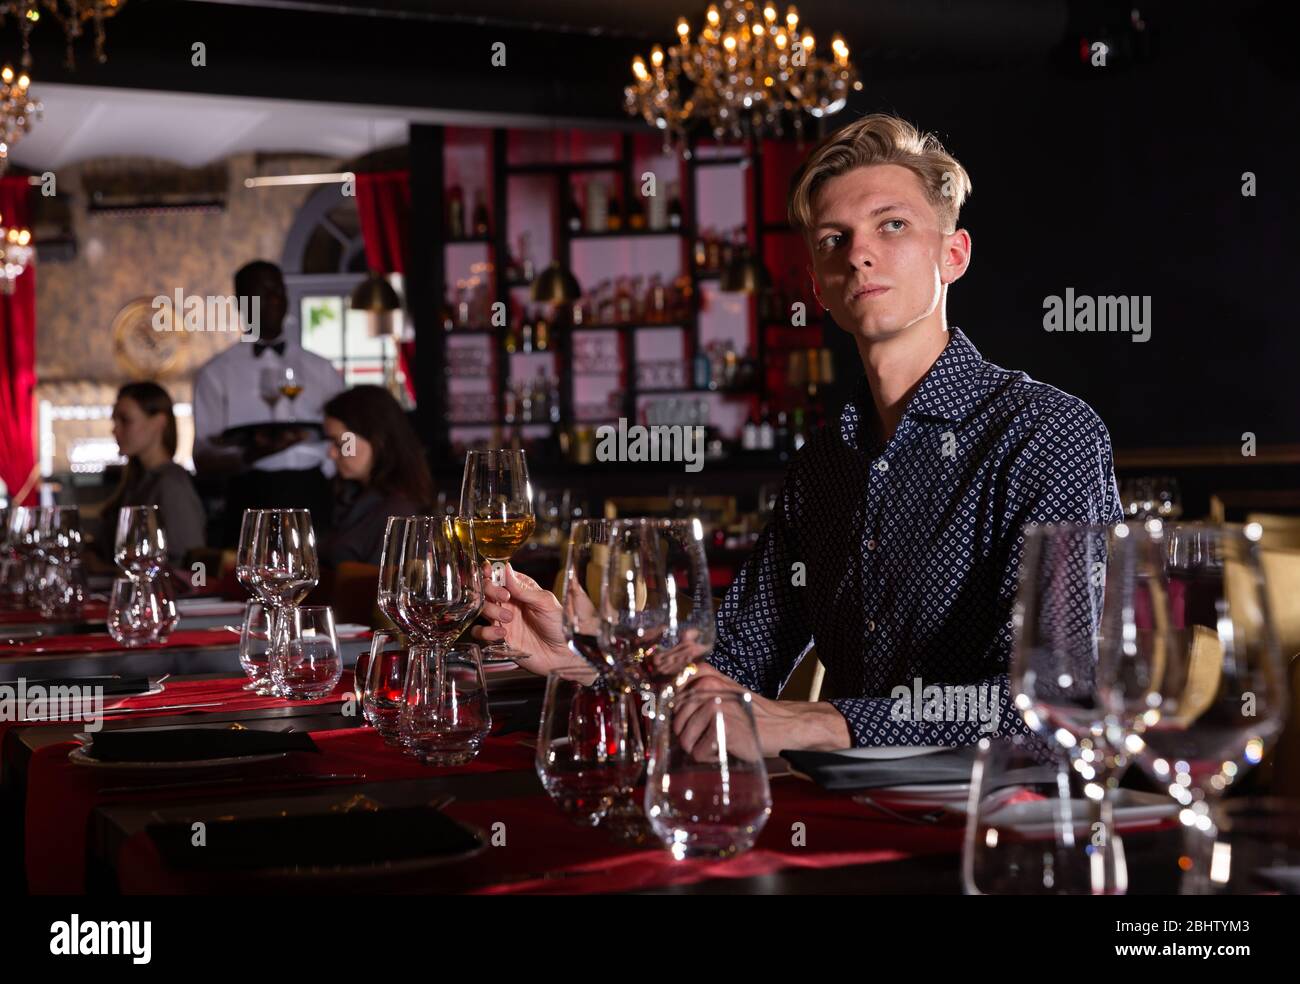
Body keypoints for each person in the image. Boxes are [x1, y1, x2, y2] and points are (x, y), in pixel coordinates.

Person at [472, 114, 1122, 755]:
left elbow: (1054, 703)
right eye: (833, 239)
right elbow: (734, 667)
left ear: (952, 256)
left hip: (1002, 830)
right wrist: (585, 661)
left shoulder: (1046, 435)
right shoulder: (825, 465)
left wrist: (817, 723)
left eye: (891, 225)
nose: (858, 252)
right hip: (848, 819)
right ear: (817, 285)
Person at [191, 260, 344, 544]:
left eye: (278, 289)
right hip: (251, 492)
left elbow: (347, 435)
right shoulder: (216, 373)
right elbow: (203, 457)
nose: (273, 298)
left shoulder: (321, 368)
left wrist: (329, 471)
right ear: (241, 303)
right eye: (262, 291)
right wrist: (251, 454)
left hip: (314, 491)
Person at [318, 385, 434, 567]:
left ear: (376, 439)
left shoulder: (397, 514)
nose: (331, 453)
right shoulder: (348, 497)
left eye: (340, 443)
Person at [95, 382, 206, 568]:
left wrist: (105, 570)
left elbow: (194, 562)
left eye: (126, 420)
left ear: (159, 422)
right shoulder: (135, 481)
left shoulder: (171, 484)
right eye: (115, 420)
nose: (114, 429)